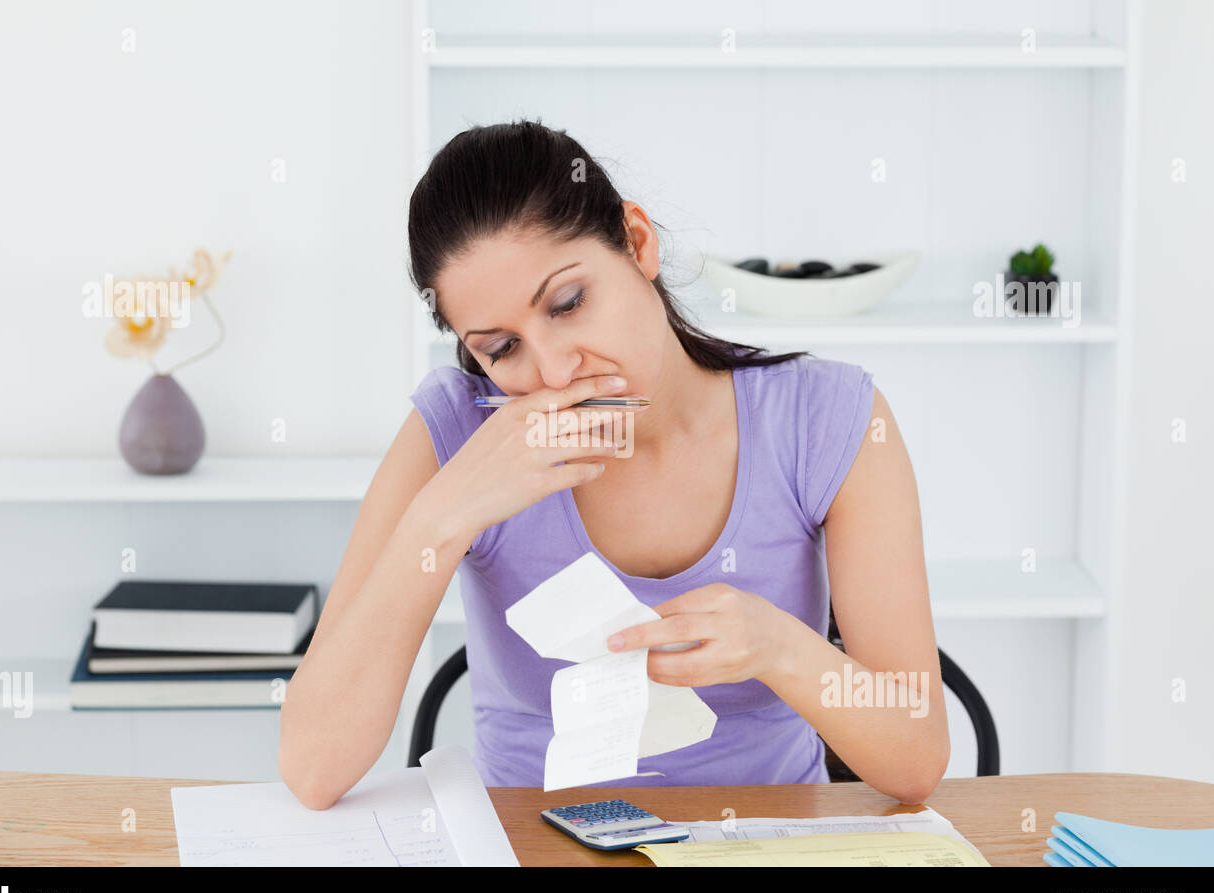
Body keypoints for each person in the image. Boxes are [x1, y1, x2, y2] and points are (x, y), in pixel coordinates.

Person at [280, 119, 948, 809]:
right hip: (533, 847)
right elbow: (313, 770)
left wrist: (780, 648)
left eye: (569, 304)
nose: (555, 368)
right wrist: (448, 513)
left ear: (637, 242)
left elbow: (917, 761)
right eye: (502, 348)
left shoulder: (824, 417)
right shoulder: (454, 432)